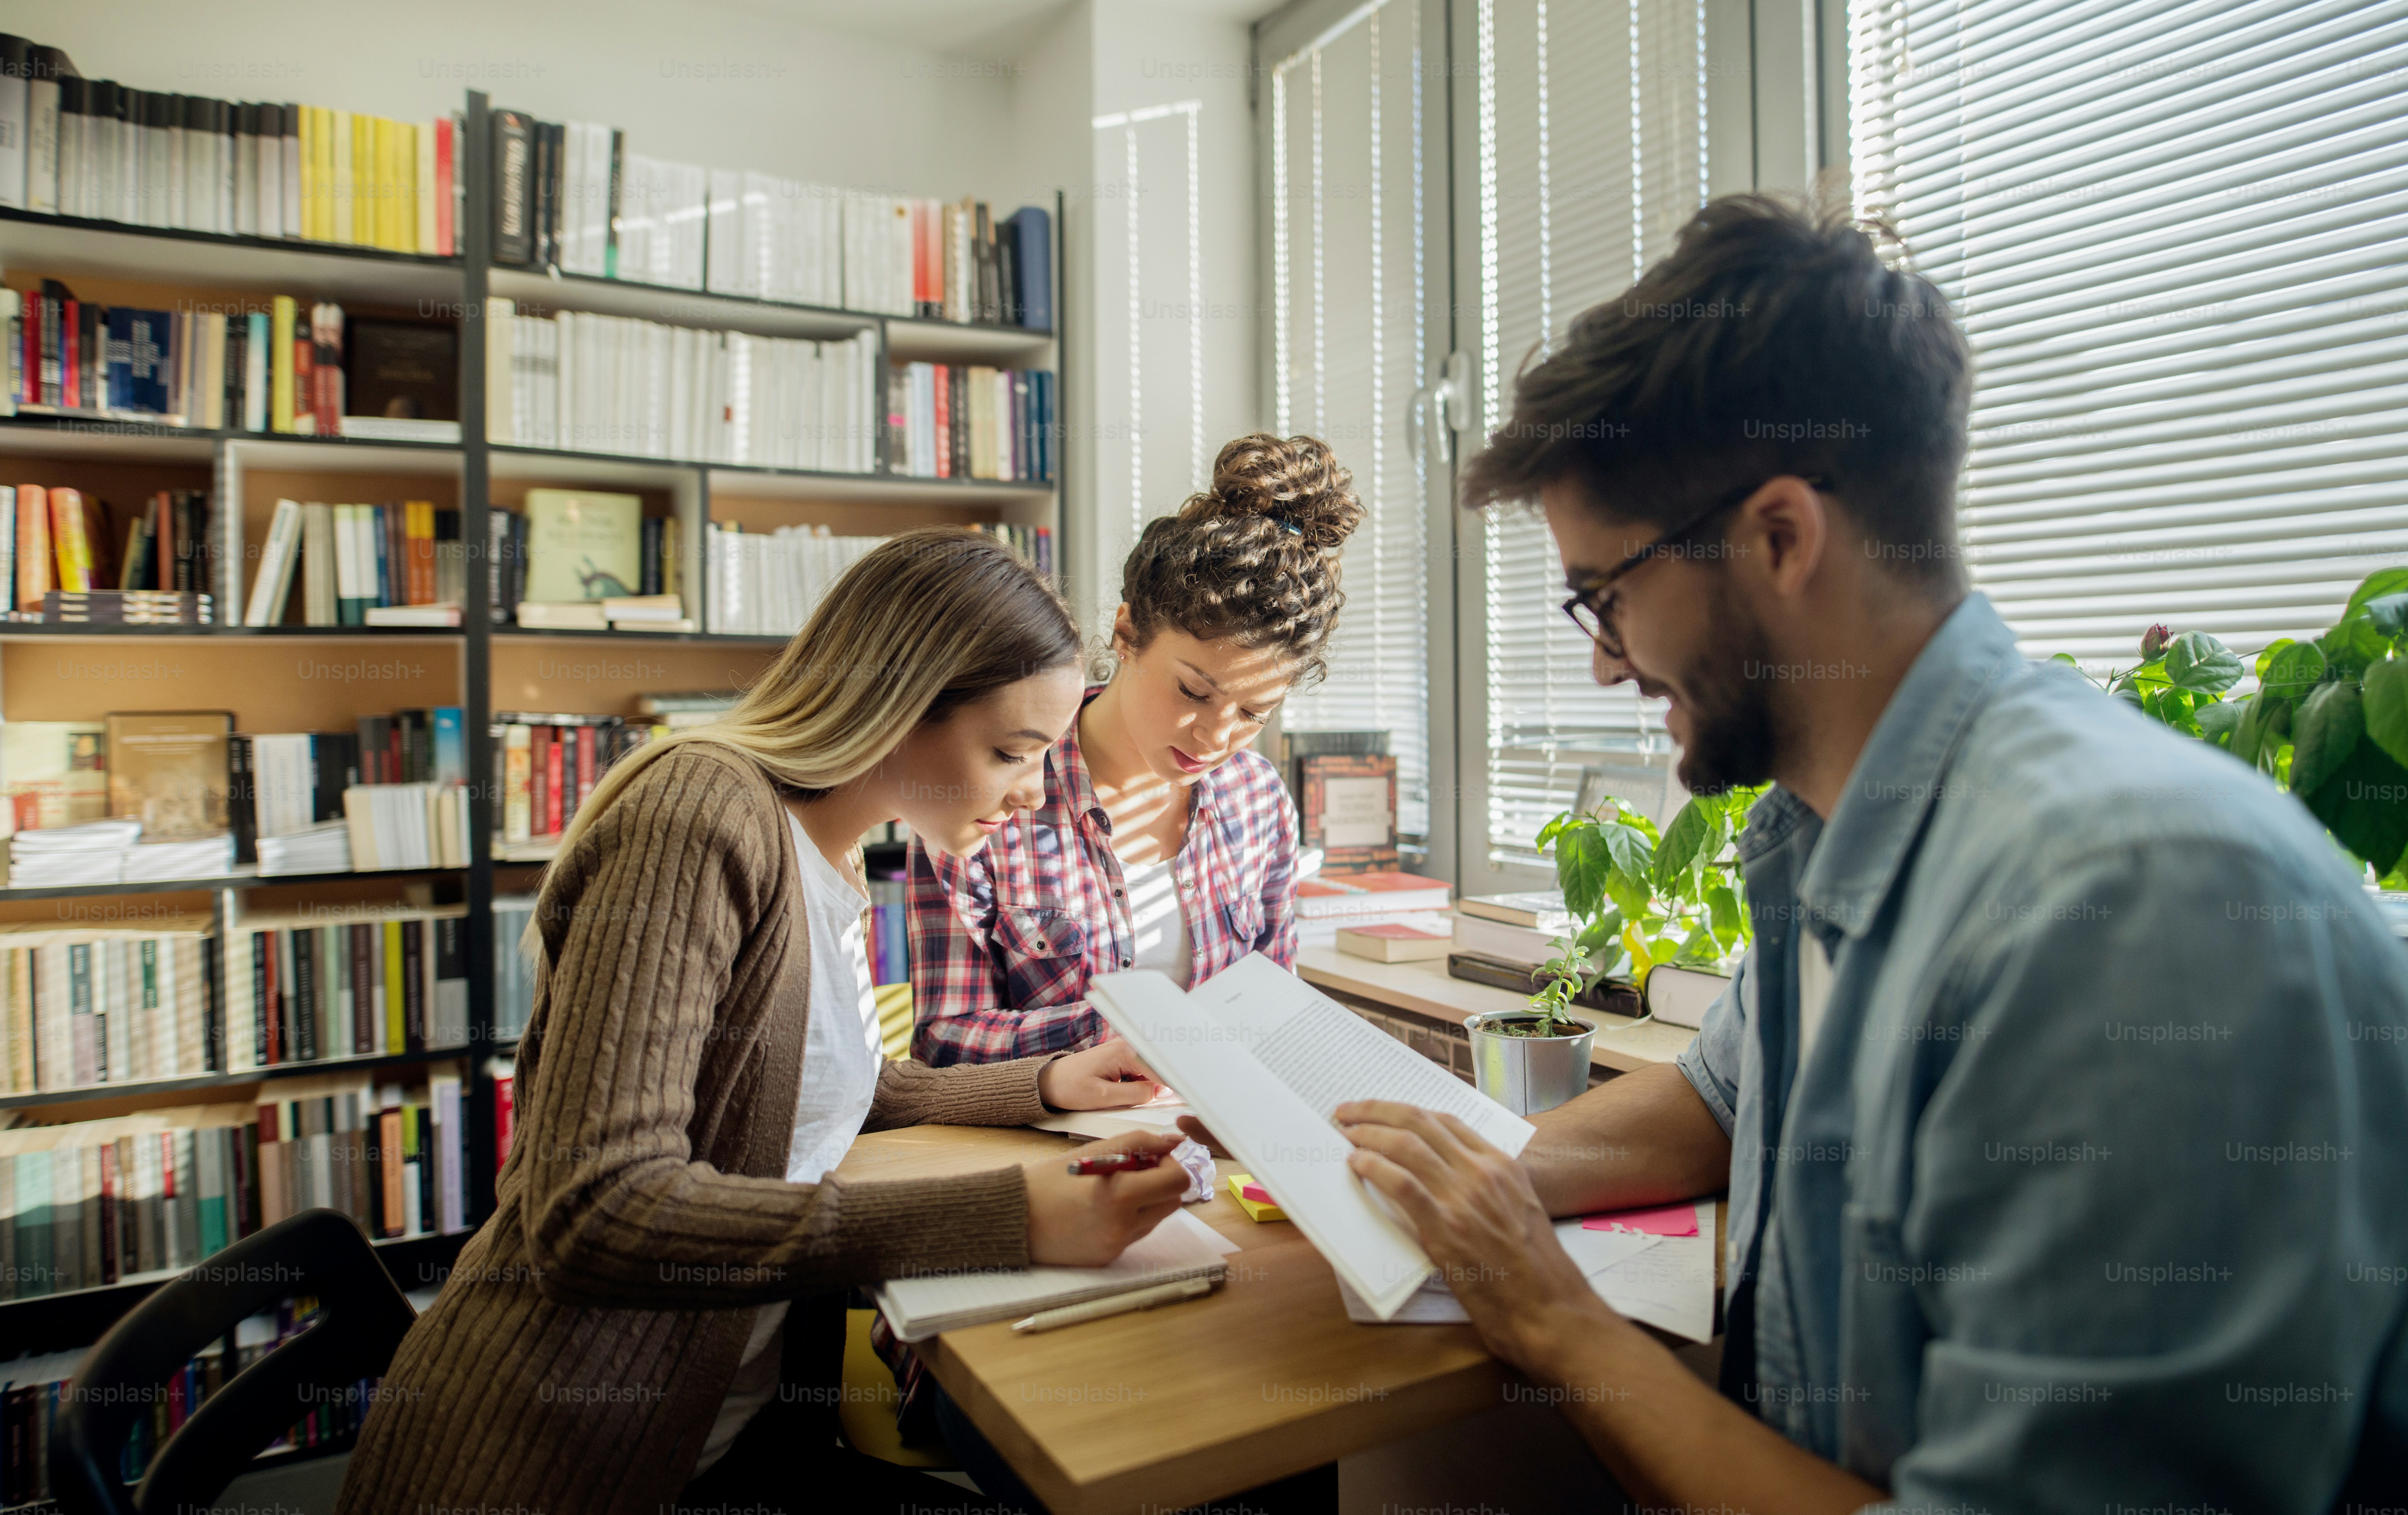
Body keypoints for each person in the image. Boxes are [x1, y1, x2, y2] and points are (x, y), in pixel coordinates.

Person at [1324, 195, 2408, 1509]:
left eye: (1604, 596)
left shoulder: (2134, 913)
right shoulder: (1827, 829)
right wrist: (1470, 1184)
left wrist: (1555, 1323)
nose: (1604, 658)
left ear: (1780, 537)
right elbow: (1721, 1105)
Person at [336, 529, 1193, 1515]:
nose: (1034, 791)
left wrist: (1045, 1083)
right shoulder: (701, 818)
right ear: (892, 706)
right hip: (557, 1459)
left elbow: (812, 1087)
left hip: (733, 1434)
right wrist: (1004, 1218)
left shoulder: (836, 859)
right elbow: (595, 1210)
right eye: (1010, 752)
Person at [909, 433, 1363, 1064]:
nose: (1214, 738)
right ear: (1127, 633)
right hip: (1045, 1147)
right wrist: (1129, 1030)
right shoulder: (988, 794)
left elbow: (1274, 1010)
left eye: (1253, 713)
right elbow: (943, 1038)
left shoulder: (1258, 800)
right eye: (1193, 691)